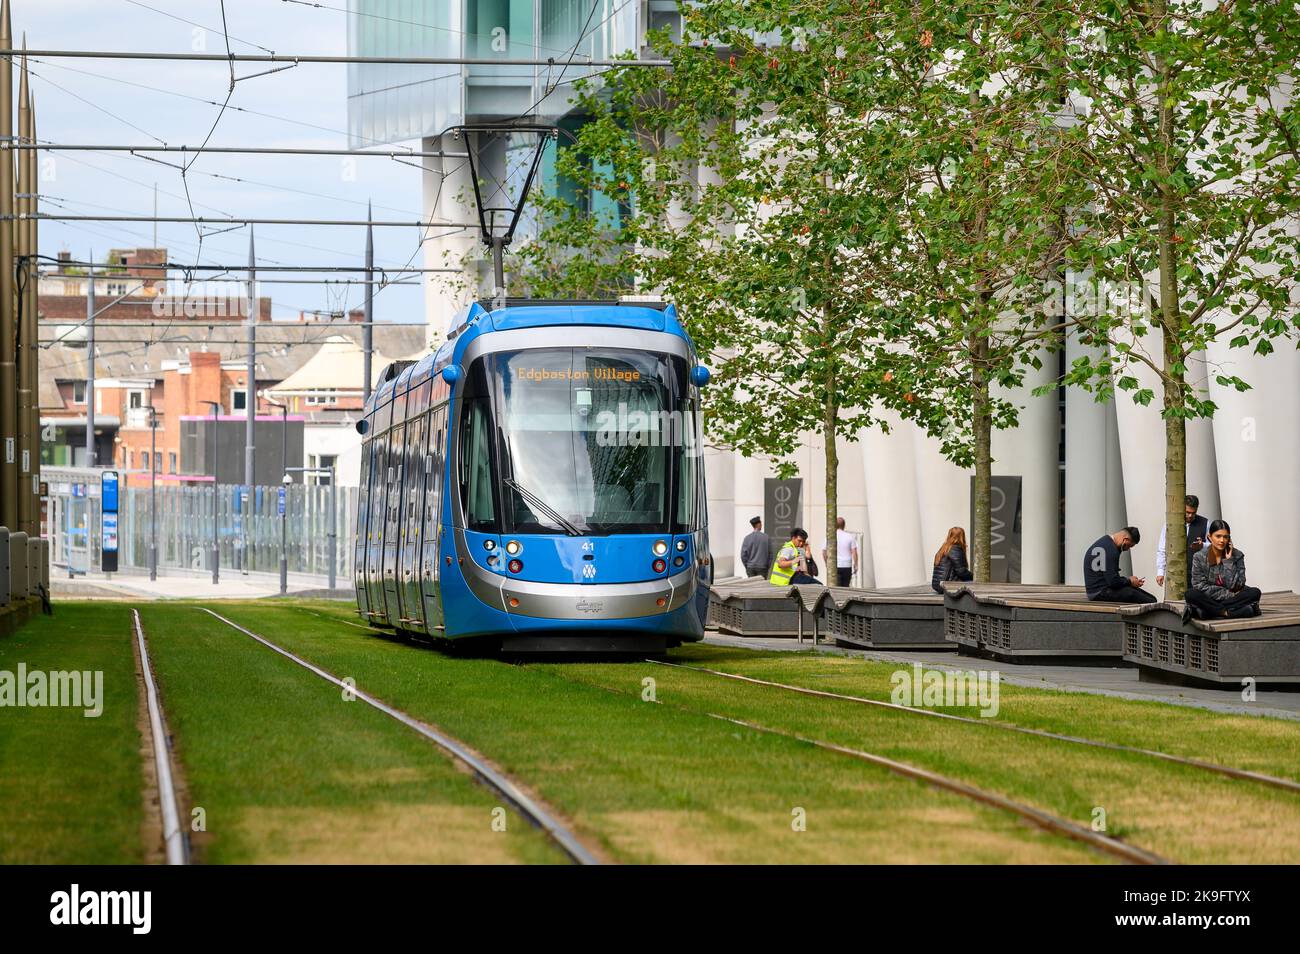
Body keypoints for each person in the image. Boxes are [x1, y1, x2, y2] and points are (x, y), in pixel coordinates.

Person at [1184, 520, 1261, 622]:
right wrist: (1229, 594)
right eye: (1218, 536)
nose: (1222, 540)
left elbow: (1238, 585)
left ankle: (1209, 611)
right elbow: (1199, 586)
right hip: (1214, 597)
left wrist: (1228, 561)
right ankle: (1228, 612)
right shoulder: (1199, 557)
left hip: (1219, 600)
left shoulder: (1237, 555)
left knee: (1255, 592)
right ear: (1210, 537)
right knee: (1191, 594)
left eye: (1225, 537)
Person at [1083, 526, 1157, 604]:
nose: (1128, 549)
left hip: (1096, 589)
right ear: (1125, 539)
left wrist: (1129, 581)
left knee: (1151, 599)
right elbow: (1113, 582)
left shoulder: (1106, 541)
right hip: (1099, 592)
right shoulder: (1111, 550)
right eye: (1129, 545)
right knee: (1150, 601)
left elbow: (1111, 578)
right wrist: (1130, 581)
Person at [1156, 494, 1210, 588]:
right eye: (1187, 512)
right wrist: (1160, 571)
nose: (1190, 515)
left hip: (1198, 573)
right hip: (1175, 573)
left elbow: (1213, 546)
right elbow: (1162, 548)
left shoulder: (1205, 523)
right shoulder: (1170, 523)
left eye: (1193, 513)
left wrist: (1203, 545)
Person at [931, 526, 974, 594]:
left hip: (937, 585)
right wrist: (974, 577)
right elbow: (961, 571)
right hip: (947, 585)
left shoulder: (943, 548)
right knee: (977, 584)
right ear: (962, 537)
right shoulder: (955, 549)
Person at [823, 516, 859, 587]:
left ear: (834, 525)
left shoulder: (830, 536)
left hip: (834, 565)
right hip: (847, 566)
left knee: (835, 587)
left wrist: (827, 563)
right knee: (845, 587)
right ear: (844, 525)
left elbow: (824, 551)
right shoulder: (850, 536)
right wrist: (855, 564)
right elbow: (854, 552)